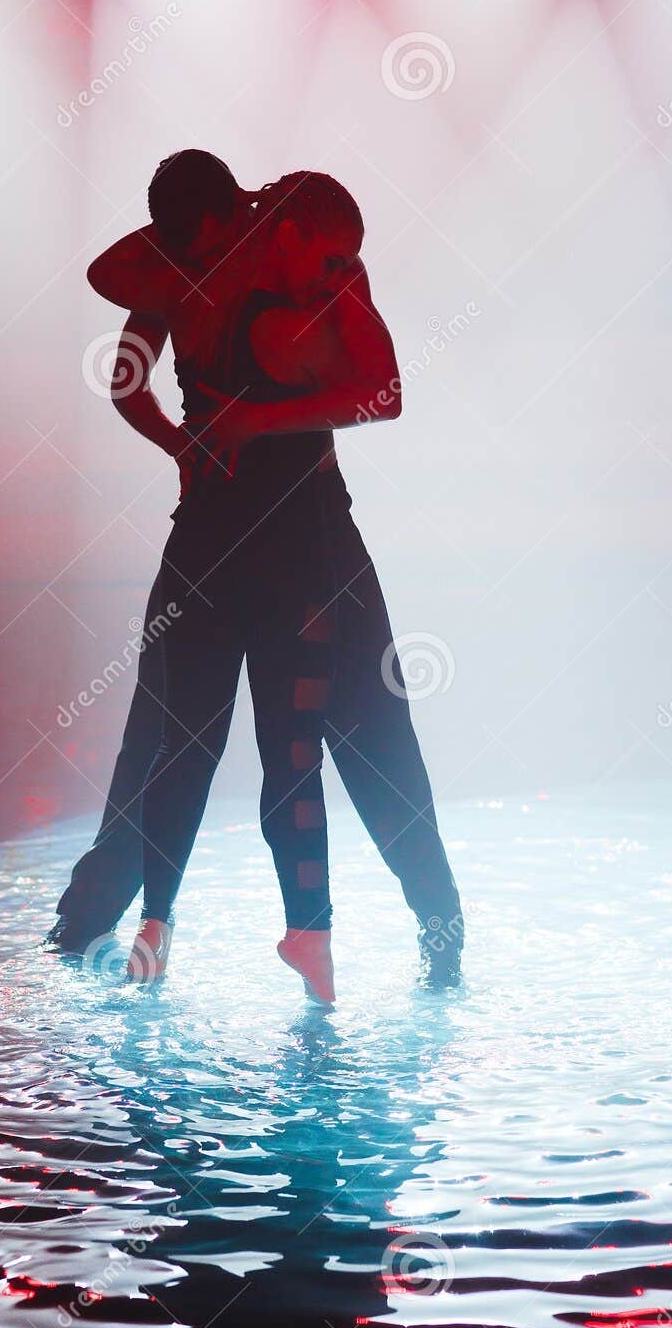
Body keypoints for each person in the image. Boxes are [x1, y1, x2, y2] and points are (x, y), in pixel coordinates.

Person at [48, 154, 463, 992]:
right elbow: (122, 354)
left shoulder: (317, 270)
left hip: (302, 534)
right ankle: (93, 922)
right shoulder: (184, 264)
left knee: (356, 736)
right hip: (243, 532)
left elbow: (381, 393)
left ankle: (436, 928)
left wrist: (230, 428)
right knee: (175, 739)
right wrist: (183, 445)